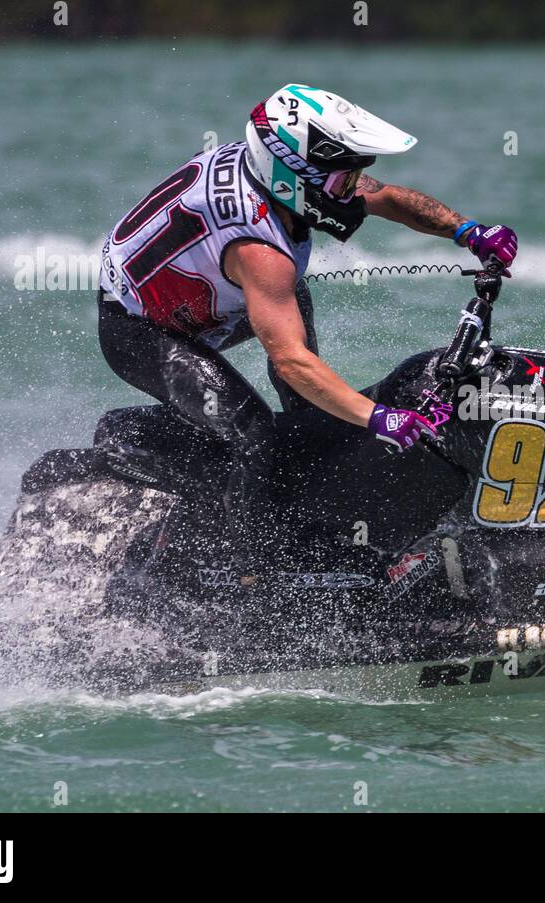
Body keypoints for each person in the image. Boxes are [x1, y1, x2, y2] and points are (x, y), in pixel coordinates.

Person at [96, 83, 518, 572]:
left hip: (207, 295)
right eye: (345, 180)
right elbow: (292, 362)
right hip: (142, 330)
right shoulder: (260, 252)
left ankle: (317, 498)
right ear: (291, 178)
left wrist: (468, 231)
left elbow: (389, 198)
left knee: (311, 410)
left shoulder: (280, 177)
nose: (355, 188)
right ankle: (256, 574)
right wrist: (379, 417)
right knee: (254, 434)